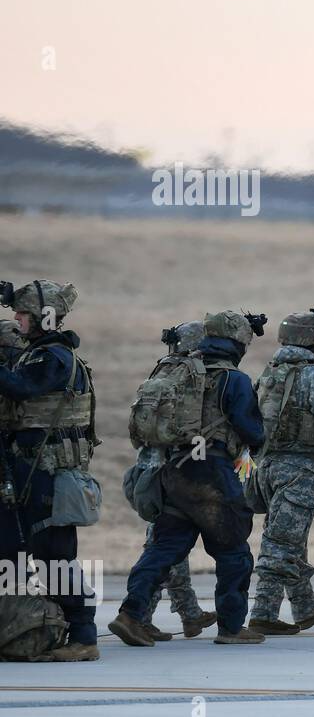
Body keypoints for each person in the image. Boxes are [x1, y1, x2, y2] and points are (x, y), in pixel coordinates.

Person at [111, 310, 267, 646]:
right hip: (212, 473)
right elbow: (252, 430)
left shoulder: (181, 372)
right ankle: (231, 627)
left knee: (164, 547)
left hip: (175, 470)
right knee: (233, 552)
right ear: (237, 343)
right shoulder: (233, 379)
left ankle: (131, 615)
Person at [0, 281, 100, 661]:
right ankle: (23, 628)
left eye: (22, 314)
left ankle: (84, 635)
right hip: (30, 471)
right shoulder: (35, 353)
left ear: (43, 316)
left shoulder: (54, 357)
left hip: (49, 474)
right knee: (13, 553)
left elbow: (23, 389)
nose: (16, 319)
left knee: (54, 554)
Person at [248, 309, 314, 635]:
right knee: (281, 544)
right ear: (312, 340)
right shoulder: (313, 376)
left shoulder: (269, 373)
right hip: (298, 469)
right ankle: (263, 613)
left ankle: (304, 607)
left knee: (291, 538)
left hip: (264, 467)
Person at [136, 320, 217, 641]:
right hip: (175, 467)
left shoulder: (162, 371)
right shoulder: (192, 375)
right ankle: (139, 614)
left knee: (169, 540)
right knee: (163, 544)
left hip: (150, 465)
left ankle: (189, 613)